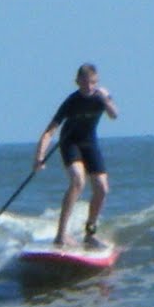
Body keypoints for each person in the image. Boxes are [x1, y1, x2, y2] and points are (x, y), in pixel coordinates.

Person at [34, 63, 119, 247]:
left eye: (93, 83)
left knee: (102, 188)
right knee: (78, 180)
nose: (89, 87)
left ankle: (89, 233)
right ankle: (61, 235)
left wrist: (107, 99)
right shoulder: (71, 102)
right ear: (77, 82)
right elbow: (49, 132)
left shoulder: (100, 97)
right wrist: (39, 157)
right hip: (70, 143)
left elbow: (114, 115)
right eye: (85, 83)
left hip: (90, 143)